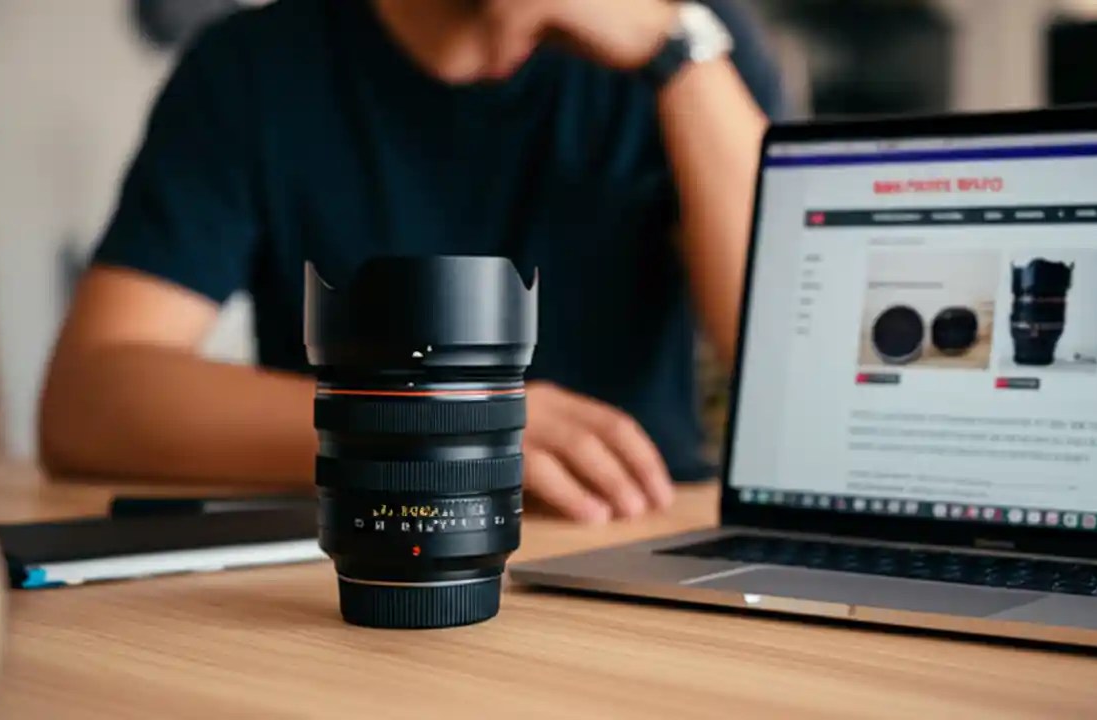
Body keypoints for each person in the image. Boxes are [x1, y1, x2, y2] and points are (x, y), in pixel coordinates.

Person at [38, 0, 781, 523]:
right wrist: (437, 427)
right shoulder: (252, 67)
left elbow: (792, 392)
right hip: (360, 551)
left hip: (627, 536)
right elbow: (90, 399)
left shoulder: (693, 42)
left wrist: (679, 55)